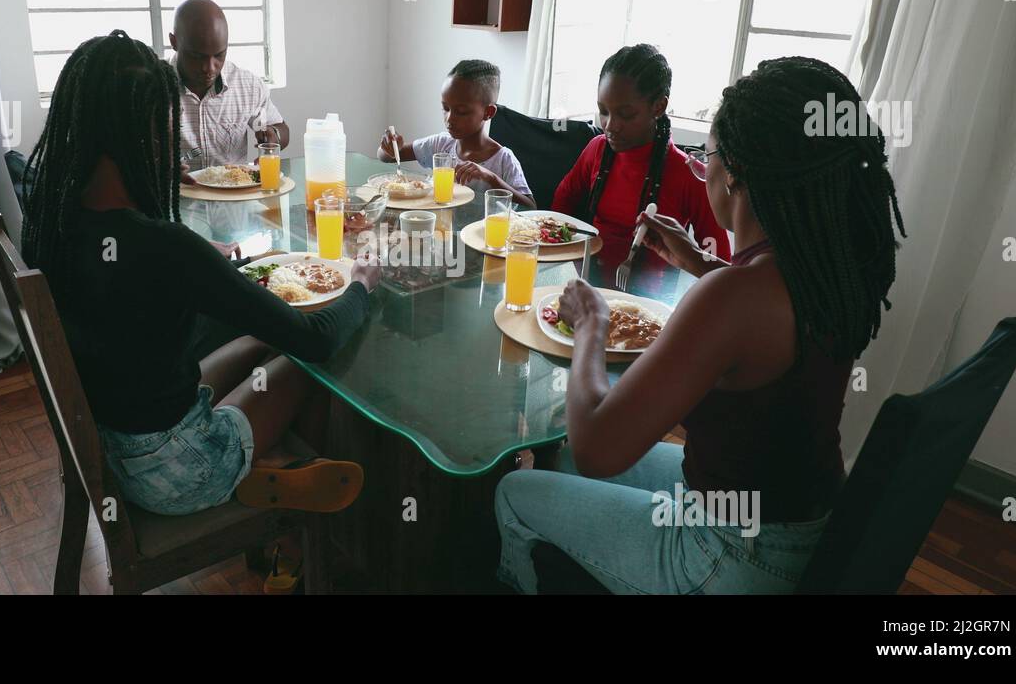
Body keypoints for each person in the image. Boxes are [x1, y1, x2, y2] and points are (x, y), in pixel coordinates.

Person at [495, 56, 907, 593]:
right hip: (800, 525)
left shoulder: (735, 296)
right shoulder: (827, 268)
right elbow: (761, 327)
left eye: (705, 154)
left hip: (733, 555)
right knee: (557, 457)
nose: (698, 166)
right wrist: (699, 263)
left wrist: (592, 323)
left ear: (733, 170)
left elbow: (597, 445)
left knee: (514, 490)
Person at [22, 30, 381, 517]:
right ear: (148, 133)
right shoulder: (162, 246)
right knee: (310, 363)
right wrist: (359, 285)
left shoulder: (51, 215)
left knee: (262, 340)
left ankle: (276, 470)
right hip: (176, 469)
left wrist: (203, 264)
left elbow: (139, 285)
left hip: (115, 440)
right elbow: (314, 338)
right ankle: (293, 501)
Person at [550, 45, 730, 285]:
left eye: (625, 114)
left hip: (648, 312)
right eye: (604, 111)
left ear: (659, 106)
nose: (610, 125)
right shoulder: (597, 149)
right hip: (585, 291)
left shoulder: (689, 175)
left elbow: (719, 265)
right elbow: (559, 209)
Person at [379, 59, 536, 208]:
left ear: (488, 112)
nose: (450, 118)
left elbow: (530, 207)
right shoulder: (440, 144)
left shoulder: (503, 159)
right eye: (446, 108)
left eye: (461, 112)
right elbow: (386, 158)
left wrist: (490, 178)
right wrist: (390, 148)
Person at [169, 0, 289, 176]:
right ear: (174, 42)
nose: (209, 68)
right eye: (197, 56)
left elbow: (281, 129)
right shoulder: (151, 87)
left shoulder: (247, 87)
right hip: (174, 198)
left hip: (234, 199)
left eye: (219, 55)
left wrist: (273, 136)